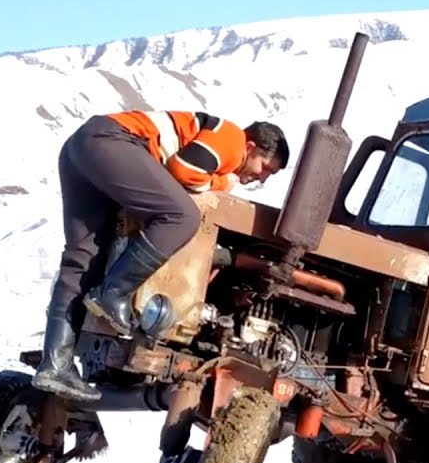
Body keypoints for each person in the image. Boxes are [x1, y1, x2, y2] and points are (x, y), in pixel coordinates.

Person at [32, 109, 291, 403]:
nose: (260, 178)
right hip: (111, 141)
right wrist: (222, 184)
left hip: (80, 148)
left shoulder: (223, 141)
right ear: (251, 147)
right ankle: (114, 292)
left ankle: (55, 366)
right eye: (265, 168)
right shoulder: (232, 138)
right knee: (182, 216)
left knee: (82, 259)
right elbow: (184, 170)